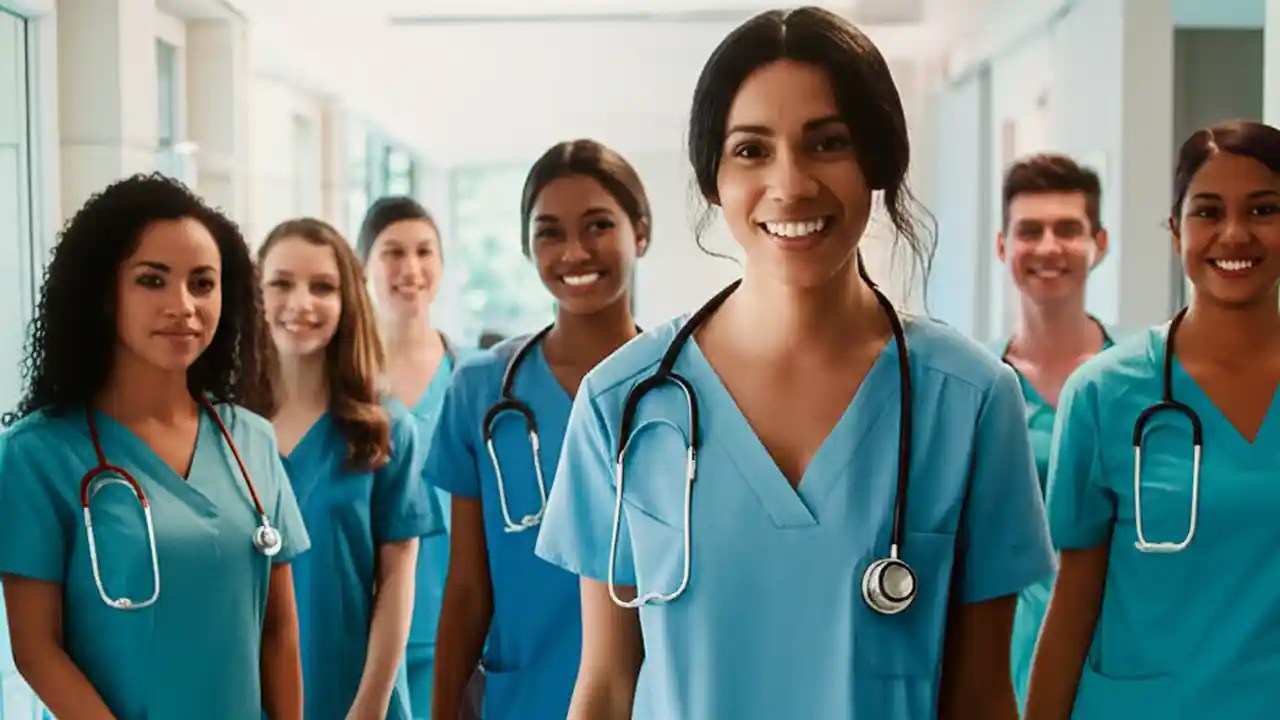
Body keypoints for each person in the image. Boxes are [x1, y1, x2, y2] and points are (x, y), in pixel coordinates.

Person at [533, 8, 1055, 719]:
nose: (791, 183)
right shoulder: (621, 404)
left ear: (878, 158)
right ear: (713, 177)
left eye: (828, 142)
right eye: (751, 150)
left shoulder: (968, 401)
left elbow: (984, 697)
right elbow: (605, 685)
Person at [0, 174, 309, 719]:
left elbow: (279, 629)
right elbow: (36, 650)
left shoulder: (251, 440)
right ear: (103, 294)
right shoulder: (38, 456)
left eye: (202, 283)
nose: (183, 305)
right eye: (152, 280)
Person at [1026, 120, 1280, 718]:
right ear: (1175, 232)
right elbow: (1072, 603)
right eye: (1208, 212)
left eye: (1264, 209)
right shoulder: (1105, 394)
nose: (1235, 234)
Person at [429, 139, 649, 720]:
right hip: (522, 699)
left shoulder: (681, 388)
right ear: (528, 248)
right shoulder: (482, 390)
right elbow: (468, 588)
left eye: (598, 225)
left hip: (653, 700)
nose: (574, 251)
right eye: (549, 231)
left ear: (641, 233)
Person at [256, 218, 444, 719]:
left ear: (348, 301)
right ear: (256, 295)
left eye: (323, 286)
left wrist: (369, 707)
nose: (301, 303)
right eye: (281, 284)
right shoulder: (224, 430)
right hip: (247, 694)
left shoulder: (384, 429)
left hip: (353, 693)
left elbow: (398, 584)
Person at [990, 154, 1114, 712]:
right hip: (1003, 660)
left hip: (1118, 655)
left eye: (1068, 229)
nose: (1047, 247)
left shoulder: (1141, 383)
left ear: (1100, 243)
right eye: (1029, 231)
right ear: (1001, 247)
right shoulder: (978, 389)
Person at [356, 196, 463, 716]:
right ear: (363, 268)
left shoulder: (474, 379)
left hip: (463, 626)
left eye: (425, 251)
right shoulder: (349, 390)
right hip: (375, 634)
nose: (411, 268)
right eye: (392, 252)